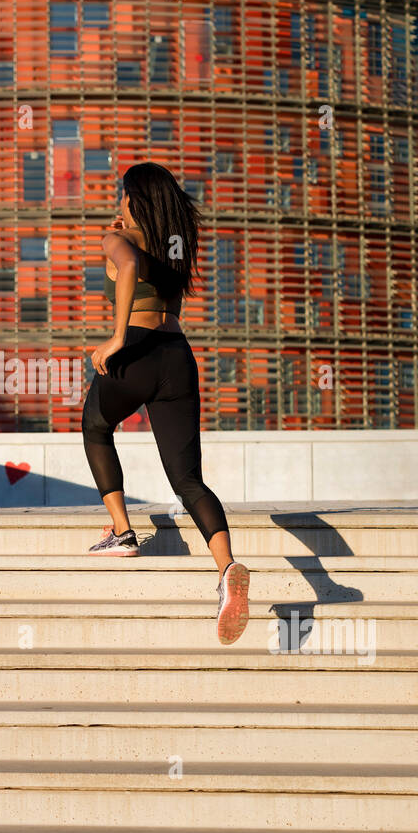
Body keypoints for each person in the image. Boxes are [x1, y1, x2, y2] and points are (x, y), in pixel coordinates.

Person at [81, 161, 250, 646]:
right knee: (188, 480)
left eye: (121, 194)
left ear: (132, 198)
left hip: (135, 349)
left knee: (95, 425)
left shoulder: (120, 243)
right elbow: (146, 262)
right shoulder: (175, 246)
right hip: (177, 356)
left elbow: (130, 266)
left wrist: (115, 338)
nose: (117, 202)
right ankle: (227, 569)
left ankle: (121, 533)